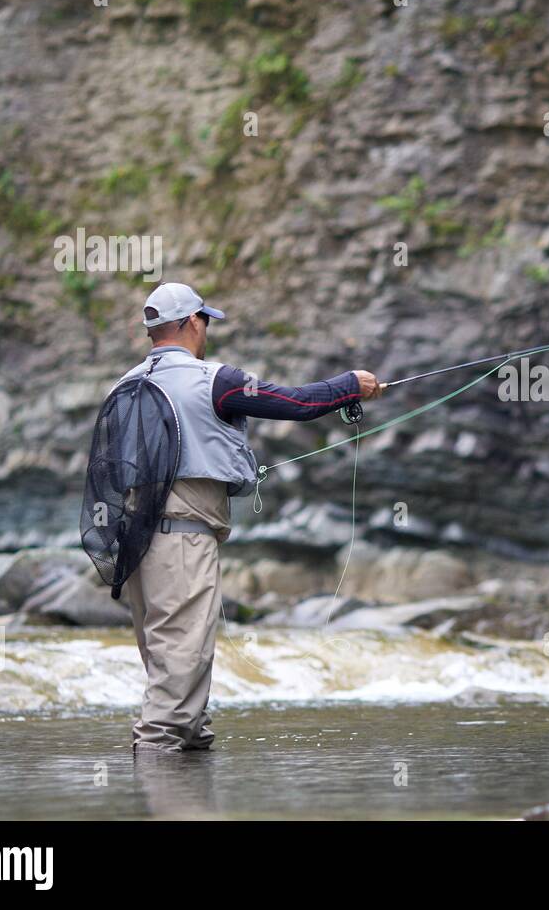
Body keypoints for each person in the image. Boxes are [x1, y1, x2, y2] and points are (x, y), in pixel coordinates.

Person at [115, 282, 382, 753]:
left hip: (135, 541)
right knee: (181, 664)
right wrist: (349, 385)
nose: (207, 331)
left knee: (170, 662)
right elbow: (295, 403)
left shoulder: (127, 384)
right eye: (205, 321)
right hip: (183, 538)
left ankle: (188, 770)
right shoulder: (214, 379)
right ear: (192, 322)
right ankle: (161, 776)